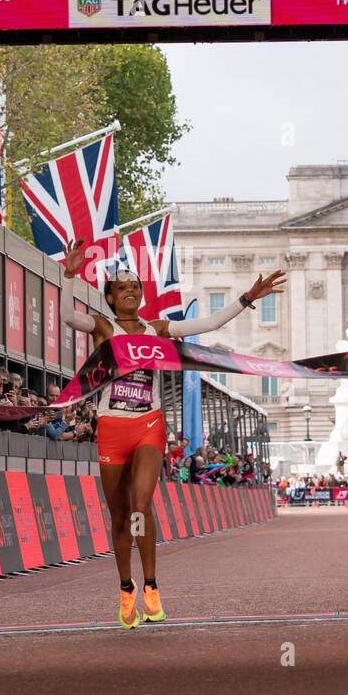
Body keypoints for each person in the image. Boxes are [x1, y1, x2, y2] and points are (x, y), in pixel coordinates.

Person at [60, 237, 285, 628]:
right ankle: (126, 588)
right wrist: (68, 276)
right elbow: (68, 318)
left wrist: (248, 298)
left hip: (149, 423)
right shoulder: (102, 326)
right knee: (117, 518)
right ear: (110, 299)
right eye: (122, 288)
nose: (130, 290)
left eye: (135, 287)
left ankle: (151, 585)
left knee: (139, 505)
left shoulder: (159, 329)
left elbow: (210, 323)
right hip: (112, 425)